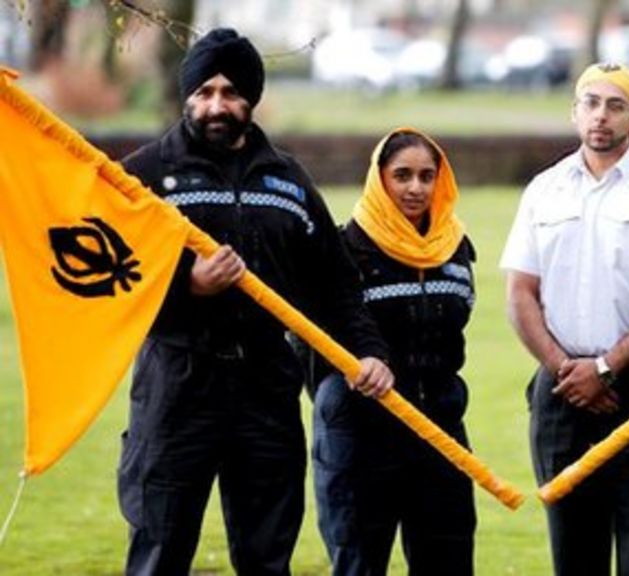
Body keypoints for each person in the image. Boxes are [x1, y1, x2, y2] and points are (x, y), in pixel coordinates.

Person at [117, 28, 392, 575]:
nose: (217, 105)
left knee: (267, 556)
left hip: (266, 389)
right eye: (204, 91)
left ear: (252, 98)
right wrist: (186, 286)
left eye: (231, 92)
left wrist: (369, 350)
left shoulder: (287, 181)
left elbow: (335, 283)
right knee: (158, 552)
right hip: (176, 389)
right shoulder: (142, 178)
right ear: (186, 95)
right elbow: (112, 283)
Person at [500, 63, 629, 576]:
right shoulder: (545, 188)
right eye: (590, 102)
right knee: (573, 550)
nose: (600, 116)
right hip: (560, 392)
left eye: (615, 105)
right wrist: (568, 369)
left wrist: (605, 367)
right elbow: (519, 293)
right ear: (574, 111)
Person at [311, 128, 477, 575]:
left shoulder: (455, 247)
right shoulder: (343, 248)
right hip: (359, 436)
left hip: (440, 430)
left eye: (426, 176)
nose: (416, 188)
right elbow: (308, 342)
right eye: (401, 175)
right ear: (378, 178)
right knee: (360, 564)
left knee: (449, 561)